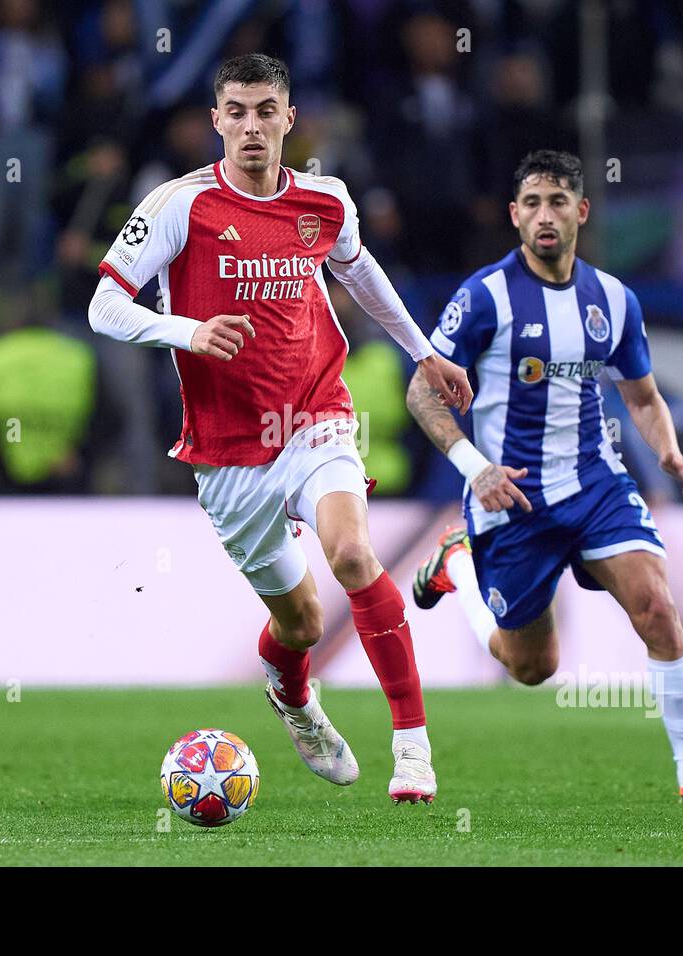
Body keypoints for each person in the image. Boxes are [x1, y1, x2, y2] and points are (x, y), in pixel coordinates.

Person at [88, 54, 472, 804]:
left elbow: (358, 272)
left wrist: (424, 352)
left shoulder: (324, 202)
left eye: (267, 110)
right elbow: (104, 306)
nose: (253, 125)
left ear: (289, 119)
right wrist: (187, 331)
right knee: (299, 623)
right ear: (216, 120)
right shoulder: (179, 205)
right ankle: (293, 696)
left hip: (313, 415)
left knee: (354, 553)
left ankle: (414, 750)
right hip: (227, 451)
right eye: (237, 111)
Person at [405, 149, 683, 803]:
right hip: (512, 499)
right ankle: (459, 568)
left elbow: (642, 397)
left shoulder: (613, 300)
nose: (544, 215)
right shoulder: (484, 297)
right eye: (531, 203)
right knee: (533, 667)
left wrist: (670, 453)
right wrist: (474, 469)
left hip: (595, 484)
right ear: (514, 216)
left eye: (558, 201)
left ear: (581, 212)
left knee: (657, 608)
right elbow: (424, 393)